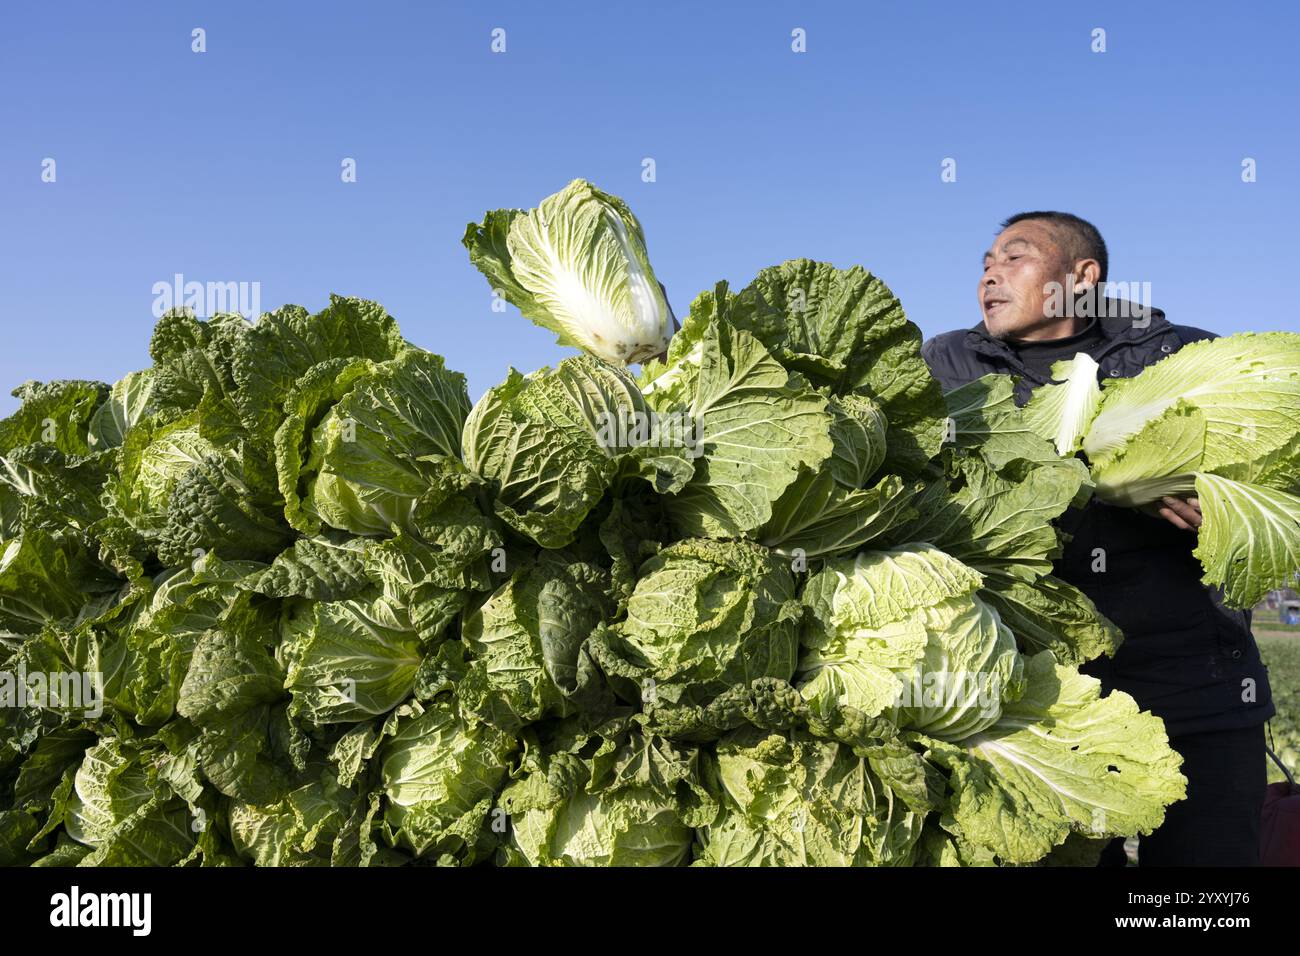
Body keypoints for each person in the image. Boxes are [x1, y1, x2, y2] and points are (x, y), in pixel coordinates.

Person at [921, 212, 1275, 866]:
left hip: (1196, 688)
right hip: (1039, 702)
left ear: (1082, 277)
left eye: (1014, 258)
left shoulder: (1180, 353)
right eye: (984, 263)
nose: (989, 275)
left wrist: (1226, 502)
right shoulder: (945, 365)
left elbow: (1275, 475)